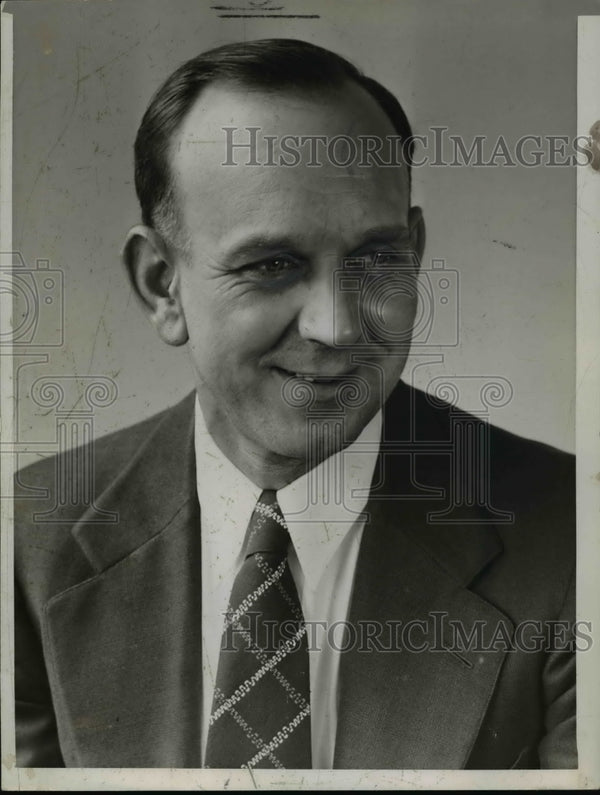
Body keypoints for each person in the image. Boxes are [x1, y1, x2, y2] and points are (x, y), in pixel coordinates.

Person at [14, 38, 576, 770]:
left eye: (376, 259)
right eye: (271, 265)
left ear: (416, 250)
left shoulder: (572, 541)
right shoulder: (29, 543)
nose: (337, 326)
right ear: (161, 285)